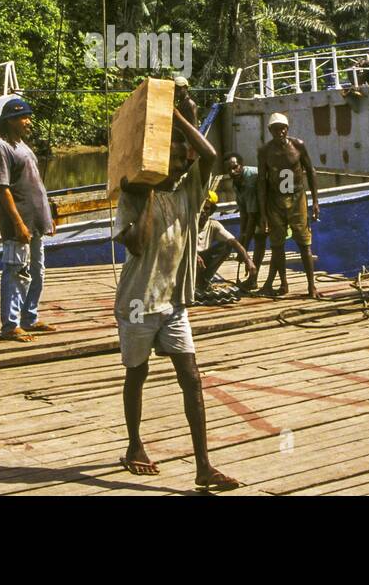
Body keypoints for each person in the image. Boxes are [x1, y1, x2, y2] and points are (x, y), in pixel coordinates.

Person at [112, 105, 243, 491]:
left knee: (191, 377)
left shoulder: (189, 193)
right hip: (137, 303)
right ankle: (135, 445)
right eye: (171, 158)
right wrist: (149, 190)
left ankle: (204, 466)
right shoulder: (133, 199)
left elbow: (211, 156)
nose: (182, 166)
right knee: (137, 374)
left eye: (182, 160)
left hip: (172, 304)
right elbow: (137, 244)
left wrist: (174, 115)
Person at [0, 97, 56, 342]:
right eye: (23, 117)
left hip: (36, 220)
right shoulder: (1, 147)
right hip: (19, 223)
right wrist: (18, 223)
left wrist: (47, 216)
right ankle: (10, 324)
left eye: (28, 116)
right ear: (11, 121)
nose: (28, 121)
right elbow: (1, 188)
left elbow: (35, 183)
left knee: (37, 270)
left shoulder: (22, 145)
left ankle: (30, 317)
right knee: (16, 270)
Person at [257, 112, 322, 299]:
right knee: (277, 245)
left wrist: (315, 201)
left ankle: (311, 286)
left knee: (304, 243)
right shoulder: (264, 151)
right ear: (270, 130)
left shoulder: (298, 145)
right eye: (276, 129)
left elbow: (310, 171)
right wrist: (263, 213)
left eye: (283, 128)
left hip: (296, 198)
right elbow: (262, 180)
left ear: (288, 128)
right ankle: (283, 283)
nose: (280, 131)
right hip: (275, 200)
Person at [195, 191, 252, 294]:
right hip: (188, 261)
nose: (203, 211)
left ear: (211, 211)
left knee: (226, 245)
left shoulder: (214, 225)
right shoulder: (187, 225)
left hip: (203, 262)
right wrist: (193, 255)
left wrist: (248, 260)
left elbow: (233, 242)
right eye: (201, 208)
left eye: (206, 208)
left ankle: (203, 281)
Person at [224, 153, 266, 290]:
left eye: (235, 167)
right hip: (259, 208)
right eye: (229, 169)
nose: (232, 172)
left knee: (260, 238)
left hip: (272, 207)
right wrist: (242, 237)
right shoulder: (237, 184)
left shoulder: (249, 180)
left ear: (241, 165)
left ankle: (254, 279)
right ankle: (253, 278)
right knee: (254, 237)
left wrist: (244, 249)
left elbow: (252, 217)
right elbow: (244, 214)